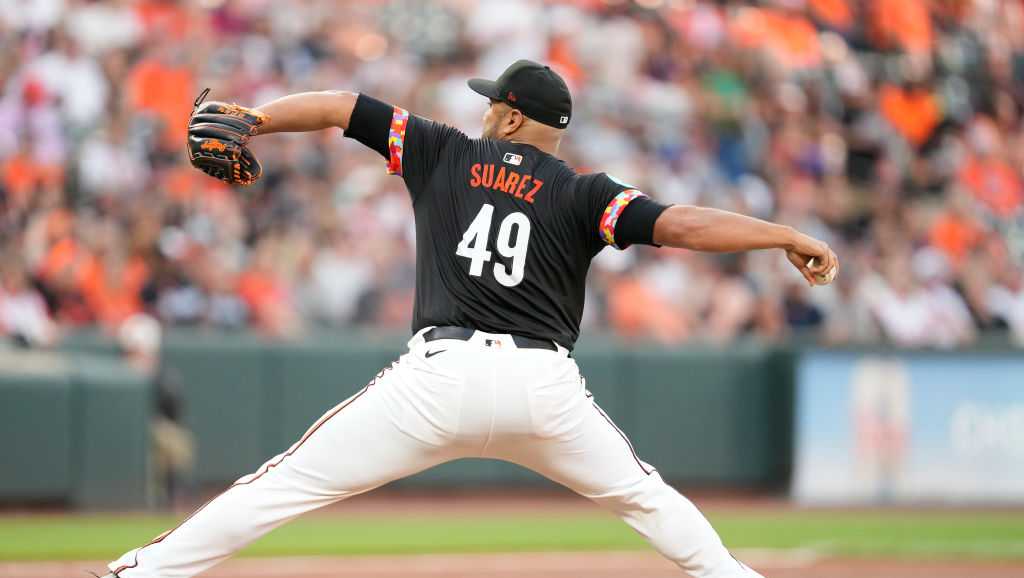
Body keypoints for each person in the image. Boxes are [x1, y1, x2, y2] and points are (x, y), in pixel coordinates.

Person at [104, 60, 837, 578]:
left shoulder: (443, 152)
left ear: (512, 115)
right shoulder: (587, 193)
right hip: (542, 388)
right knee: (643, 495)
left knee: (283, 484)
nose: (484, 107)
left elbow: (340, 105)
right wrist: (781, 234)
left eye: (494, 100)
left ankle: (144, 574)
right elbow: (684, 225)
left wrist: (257, 119)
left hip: (437, 380)